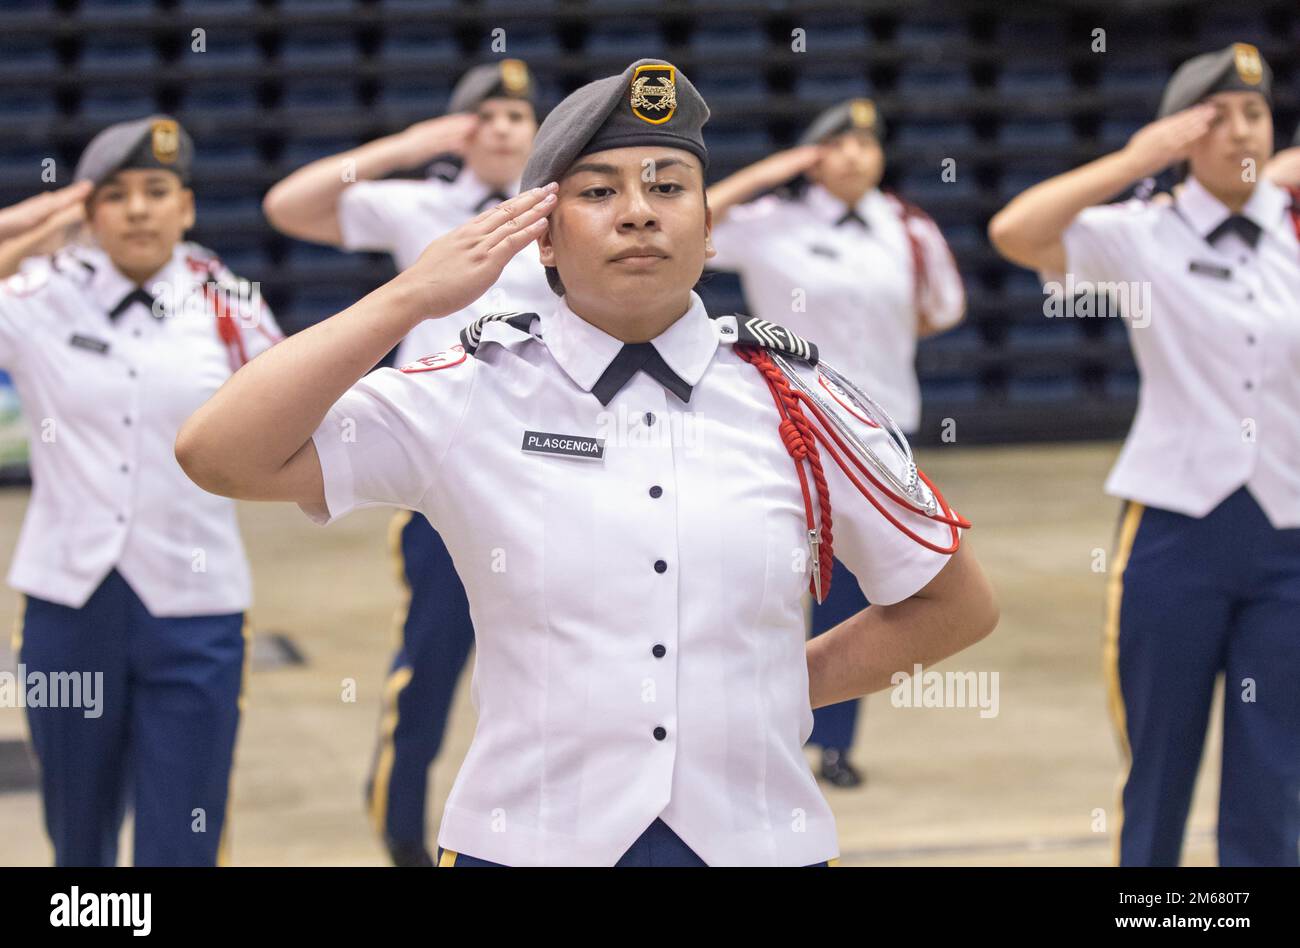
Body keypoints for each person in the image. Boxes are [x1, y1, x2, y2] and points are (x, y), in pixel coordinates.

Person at [177, 59, 998, 867]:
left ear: (711, 229)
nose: (638, 213)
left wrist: (771, 690)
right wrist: (410, 298)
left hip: (757, 840)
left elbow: (953, 603)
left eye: (669, 186)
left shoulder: (801, 400)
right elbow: (219, 455)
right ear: (542, 236)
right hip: (528, 842)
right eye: (599, 191)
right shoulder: (471, 393)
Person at [989, 43, 1300, 866]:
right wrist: (1133, 161)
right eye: (1216, 117)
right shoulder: (1142, 234)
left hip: (1289, 537)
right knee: (1158, 765)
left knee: (1276, 768)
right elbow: (1016, 231)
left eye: (1256, 114)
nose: (1241, 131)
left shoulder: (1294, 227)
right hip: (1177, 529)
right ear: (1178, 136)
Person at [263, 60, 554, 866]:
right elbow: (289, 206)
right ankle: (400, 819)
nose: (501, 129)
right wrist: (411, 143)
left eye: (518, 117)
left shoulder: (563, 211)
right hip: (447, 469)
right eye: (484, 116)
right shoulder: (421, 203)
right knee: (433, 653)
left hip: (557, 467)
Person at [1, 116, 283, 865]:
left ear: (186, 207)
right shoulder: (34, 297)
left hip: (196, 611)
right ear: (86, 212)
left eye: (157, 191)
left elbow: (295, 412)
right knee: (76, 832)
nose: (137, 210)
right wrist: (29, 228)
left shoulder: (234, 305)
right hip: (70, 605)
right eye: (115, 195)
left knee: (183, 838)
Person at [705, 96, 966, 788]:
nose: (854, 154)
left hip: (878, 433)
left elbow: (941, 308)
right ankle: (744, 721)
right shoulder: (768, 223)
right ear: (812, 155)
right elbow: (696, 221)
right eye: (836, 143)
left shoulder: (907, 227)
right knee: (767, 574)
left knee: (857, 591)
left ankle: (832, 741)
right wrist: (774, 171)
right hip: (784, 426)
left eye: (867, 143)